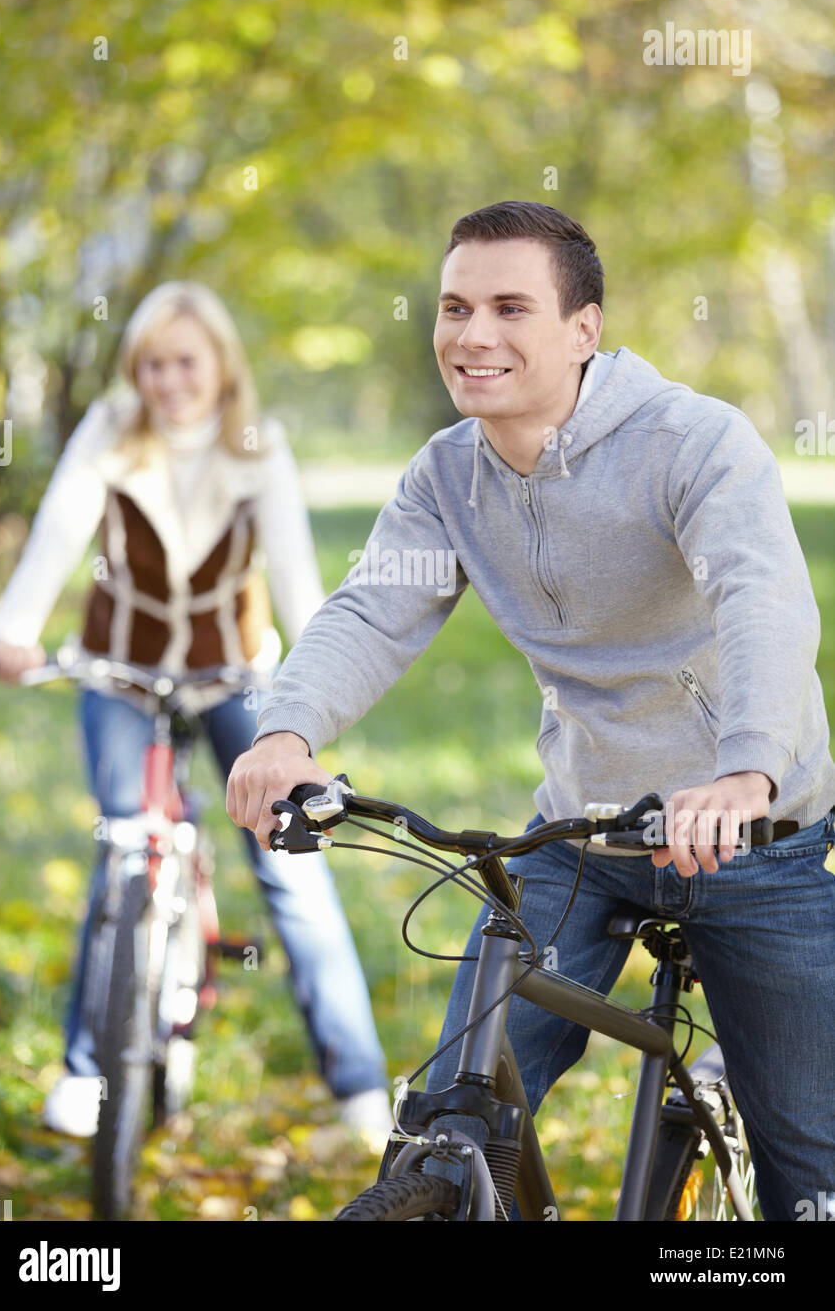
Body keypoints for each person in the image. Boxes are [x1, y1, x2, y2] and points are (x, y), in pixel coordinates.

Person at [226, 201, 835, 1221]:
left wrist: (744, 770)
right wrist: (287, 732)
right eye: (455, 306)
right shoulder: (446, 477)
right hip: (583, 834)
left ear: (582, 328)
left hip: (748, 835)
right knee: (447, 1121)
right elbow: (372, 608)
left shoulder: (692, 443)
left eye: (510, 306)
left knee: (810, 1171)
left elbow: (759, 601)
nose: (472, 334)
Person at [0, 281, 392, 1146]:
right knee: (125, 843)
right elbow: (59, 532)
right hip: (120, 673)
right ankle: (88, 1074)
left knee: (290, 861)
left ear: (219, 366)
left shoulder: (258, 445)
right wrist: (13, 631)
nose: (168, 381)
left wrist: (311, 702)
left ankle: (358, 1092)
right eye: (153, 363)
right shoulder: (111, 430)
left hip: (237, 678)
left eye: (185, 363)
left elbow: (295, 582)